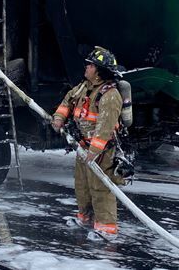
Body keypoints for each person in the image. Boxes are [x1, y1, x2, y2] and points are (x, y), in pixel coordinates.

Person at [52, 46, 123, 238]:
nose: (87, 68)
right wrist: (59, 117)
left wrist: (94, 151)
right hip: (83, 147)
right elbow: (68, 101)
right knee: (82, 186)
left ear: (99, 71)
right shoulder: (84, 87)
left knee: (100, 189)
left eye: (91, 65)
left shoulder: (110, 95)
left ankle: (106, 229)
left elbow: (105, 127)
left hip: (101, 152)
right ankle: (85, 218)